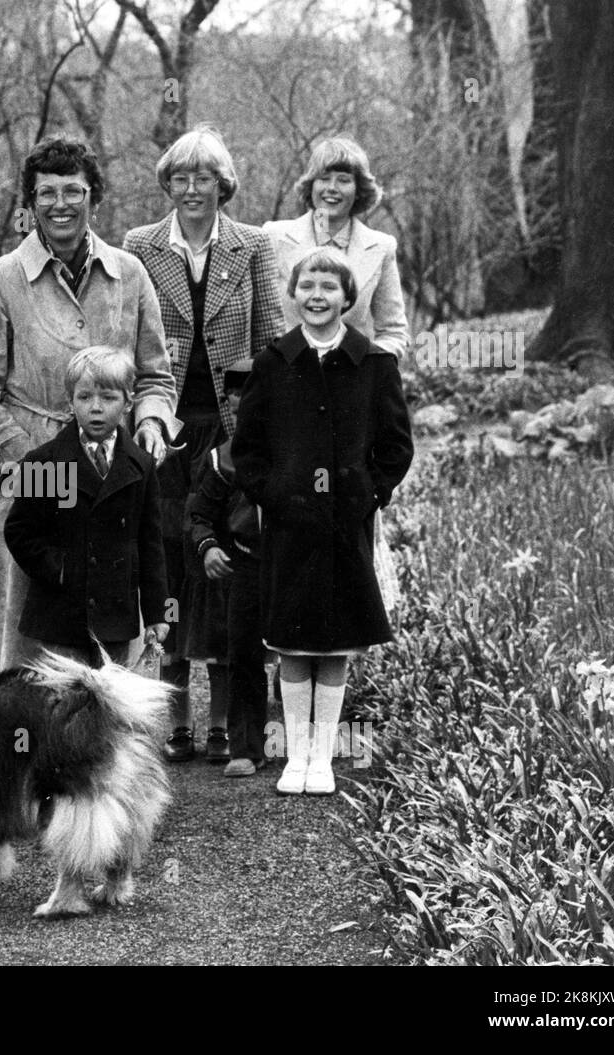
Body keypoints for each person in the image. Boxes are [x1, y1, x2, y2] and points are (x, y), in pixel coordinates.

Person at [0, 134, 178, 674]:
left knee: (105, 660)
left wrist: (150, 423)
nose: (60, 203)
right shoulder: (1, 280)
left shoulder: (130, 275)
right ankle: (22, 752)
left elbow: (156, 377)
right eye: (46, 193)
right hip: (29, 488)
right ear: (29, 206)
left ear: (93, 199)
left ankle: (99, 757)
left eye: (73, 191)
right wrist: (44, 467)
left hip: (112, 489)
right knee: (27, 653)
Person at [122, 125, 284, 763]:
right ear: (167, 185)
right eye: (180, 179)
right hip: (161, 426)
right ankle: (172, 722)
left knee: (223, 563)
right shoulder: (139, 246)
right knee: (166, 560)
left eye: (204, 179)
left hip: (227, 428)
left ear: (224, 186)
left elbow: (271, 337)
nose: (192, 189)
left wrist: (264, 427)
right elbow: (130, 333)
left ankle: (222, 722)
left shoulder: (252, 246)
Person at [231, 247, 412, 796]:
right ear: (294, 294)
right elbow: (248, 448)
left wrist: (368, 491)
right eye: (307, 285)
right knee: (291, 641)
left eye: (329, 288)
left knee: (334, 642)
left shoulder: (373, 363)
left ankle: (323, 759)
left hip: (345, 524)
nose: (317, 296)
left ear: (347, 298)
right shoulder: (272, 362)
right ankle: (295, 757)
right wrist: (275, 495)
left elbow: (396, 445)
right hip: (290, 525)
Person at [3, 346, 169, 668]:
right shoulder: (44, 462)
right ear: (70, 401)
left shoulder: (141, 465)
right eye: (84, 397)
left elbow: (152, 546)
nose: (95, 408)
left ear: (128, 402)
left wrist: (161, 612)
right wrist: (60, 568)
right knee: (64, 706)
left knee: (110, 706)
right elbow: (19, 531)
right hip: (60, 618)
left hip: (116, 620)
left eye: (107, 398)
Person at [184, 366, 268, 778]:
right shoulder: (222, 459)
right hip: (245, 562)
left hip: (289, 563)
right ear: (229, 405)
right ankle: (247, 747)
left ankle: (308, 746)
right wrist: (209, 546)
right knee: (243, 656)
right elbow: (199, 514)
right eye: (237, 396)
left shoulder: (295, 453)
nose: (246, 404)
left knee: (301, 654)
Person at [263, 137, 409, 360]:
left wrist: (365, 365)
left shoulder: (381, 248)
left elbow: (394, 332)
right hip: (286, 379)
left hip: (352, 384)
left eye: (343, 180)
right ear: (311, 185)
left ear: (359, 189)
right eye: (324, 178)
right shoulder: (274, 238)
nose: (332, 188)